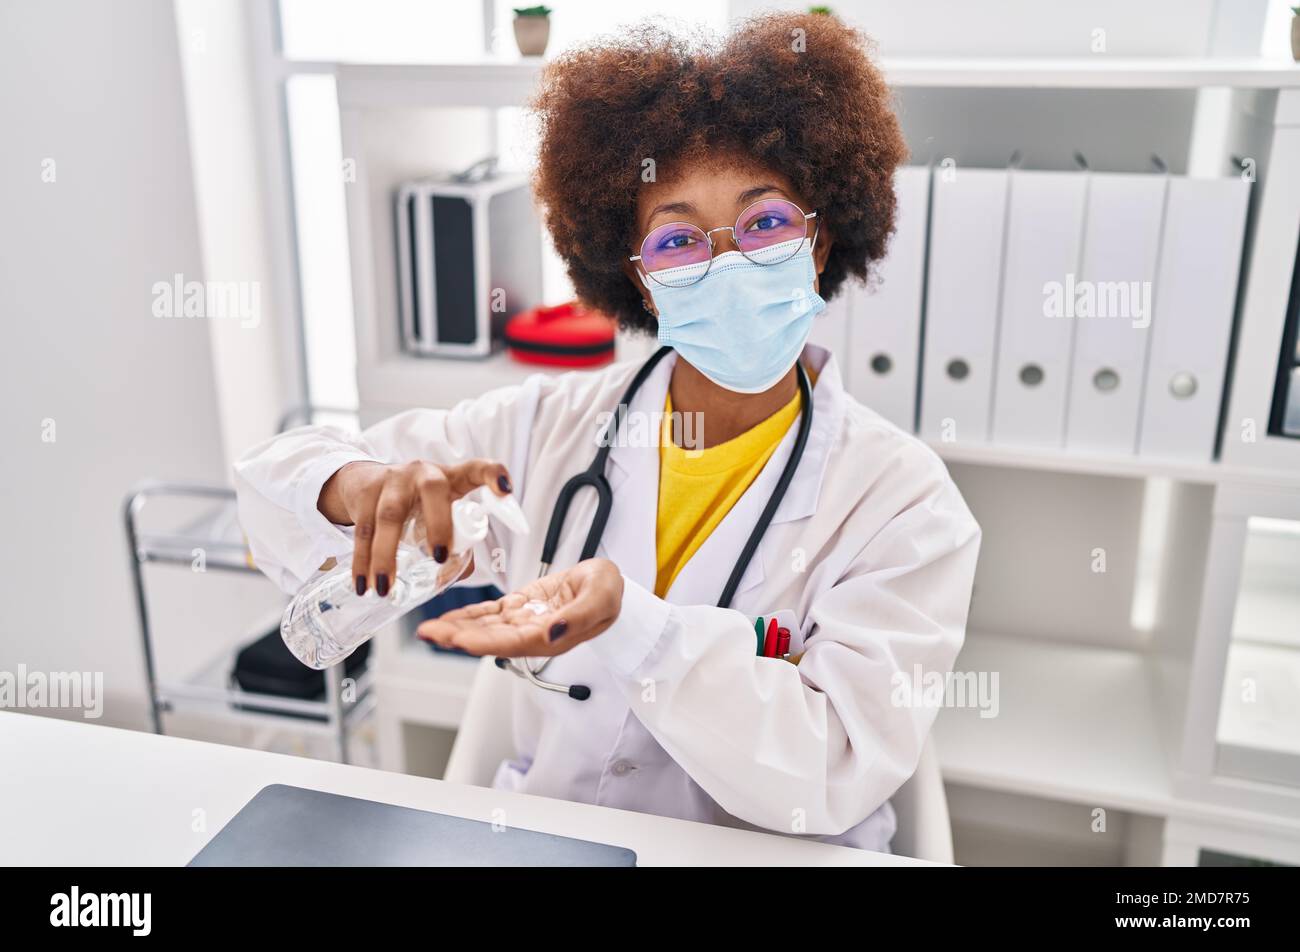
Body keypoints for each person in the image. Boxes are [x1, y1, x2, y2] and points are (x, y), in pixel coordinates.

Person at [234, 11, 980, 853]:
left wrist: (632, 625)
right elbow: (268, 484)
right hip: (553, 843)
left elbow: (832, 769)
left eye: (766, 223)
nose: (725, 262)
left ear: (823, 238)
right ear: (638, 277)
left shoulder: (905, 505)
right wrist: (350, 488)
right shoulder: (547, 427)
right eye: (677, 239)